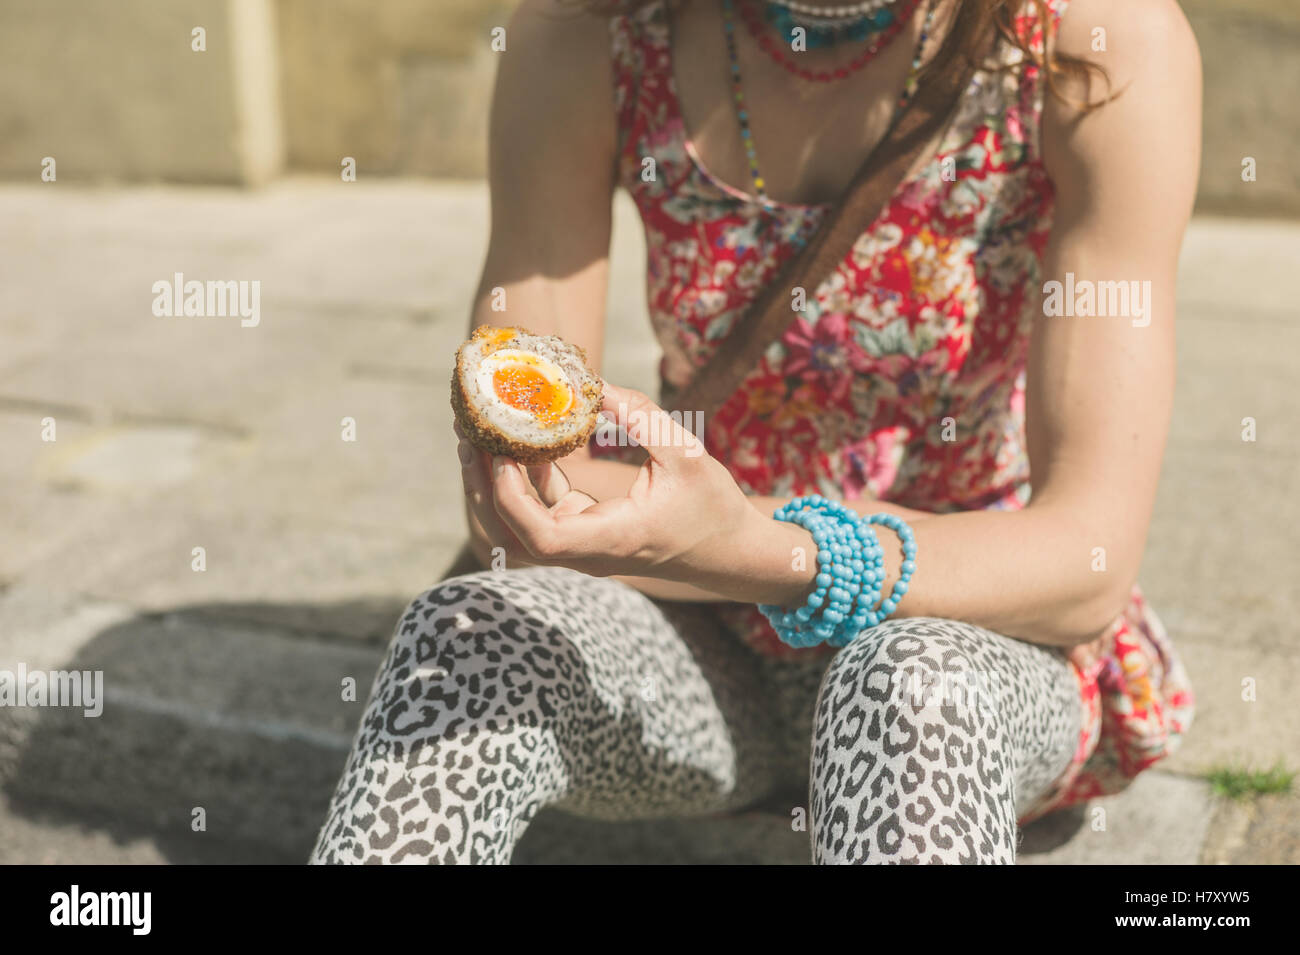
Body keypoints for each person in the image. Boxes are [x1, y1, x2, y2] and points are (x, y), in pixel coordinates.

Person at [311, 0, 1200, 864]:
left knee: (914, 687)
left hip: (974, 627)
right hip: (705, 650)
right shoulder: (590, 28)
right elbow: (532, 477)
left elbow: (1087, 561)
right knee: (466, 637)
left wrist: (760, 548)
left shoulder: (1092, 42)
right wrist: (697, 545)